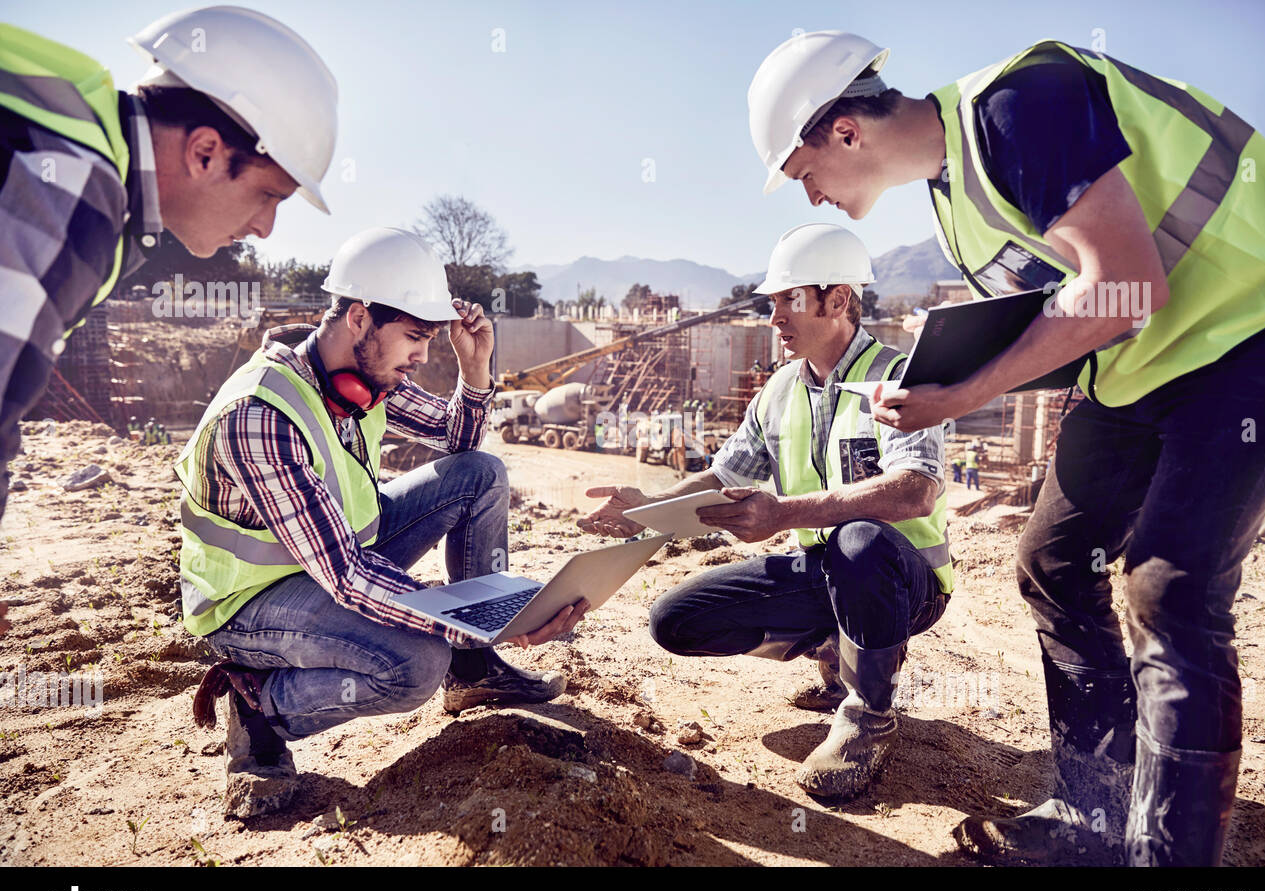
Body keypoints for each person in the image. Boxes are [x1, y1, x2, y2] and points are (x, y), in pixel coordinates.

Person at [748, 30, 1265, 865]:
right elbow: (1071, 319)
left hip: (1258, 323)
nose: (813, 197)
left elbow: (1124, 280)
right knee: (1054, 559)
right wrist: (958, 373)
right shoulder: (955, 206)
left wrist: (966, 393)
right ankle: (1095, 817)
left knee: (1172, 589)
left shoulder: (1017, 104)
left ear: (844, 131)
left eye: (804, 173)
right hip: (1137, 366)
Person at [177, 227, 585, 818]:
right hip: (252, 600)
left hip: (335, 554)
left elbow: (458, 446)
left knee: (482, 473)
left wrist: (475, 374)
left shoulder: (363, 377)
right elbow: (344, 576)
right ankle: (259, 702)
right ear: (361, 319)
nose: (422, 355)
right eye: (415, 337)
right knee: (415, 665)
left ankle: (474, 671)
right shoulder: (262, 415)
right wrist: (467, 618)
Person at [579, 224, 952, 800]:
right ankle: (835, 649)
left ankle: (868, 717)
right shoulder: (778, 390)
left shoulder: (899, 377)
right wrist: (648, 507)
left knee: (858, 540)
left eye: (788, 300)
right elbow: (725, 477)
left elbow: (914, 492)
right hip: (828, 575)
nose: (773, 317)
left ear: (838, 299)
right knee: (676, 620)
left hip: (906, 582)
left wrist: (782, 514)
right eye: (772, 302)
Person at [0, 7, 339, 525]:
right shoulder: (74, 190)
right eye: (268, 195)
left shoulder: (72, 129)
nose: (265, 228)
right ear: (204, 153)